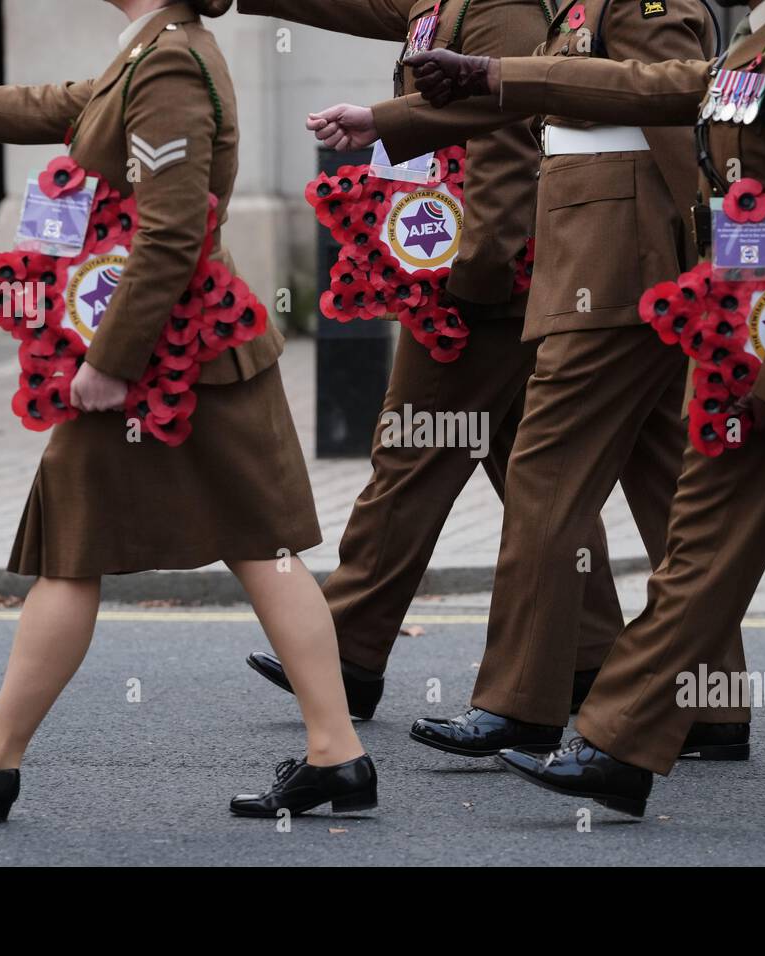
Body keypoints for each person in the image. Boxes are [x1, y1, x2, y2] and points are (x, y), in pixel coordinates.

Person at [404, 0, 765, 817]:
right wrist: (497, 75)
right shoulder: (763, 44)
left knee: (701, 541)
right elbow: (648, 85)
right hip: (743, 325)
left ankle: (617, 745)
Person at [0, 0, 376, 820]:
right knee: (257, 546)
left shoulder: (168, 64)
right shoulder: (154, 50)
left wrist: (109, 363)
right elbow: (55, 103)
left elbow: (168, 233)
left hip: (164, 361)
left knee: (79, 547)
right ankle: (337, 755)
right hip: (198, 355)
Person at [306, 0, 753, 761]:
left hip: (621, 253)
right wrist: (389, 121)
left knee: (547, 472)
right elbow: (545, 96)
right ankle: (709, 703)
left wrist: (704, 247)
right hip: (606, 248)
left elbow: (671, 101)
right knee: (667, 477)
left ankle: (522, 704)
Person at [235, 0, 626, 722]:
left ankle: (348, 650)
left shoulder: (503, 9)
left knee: (410, 454)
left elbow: (504, 142)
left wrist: (475, 276)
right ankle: (592, 652)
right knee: (526, 473)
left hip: (485, 277)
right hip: (486, 272)